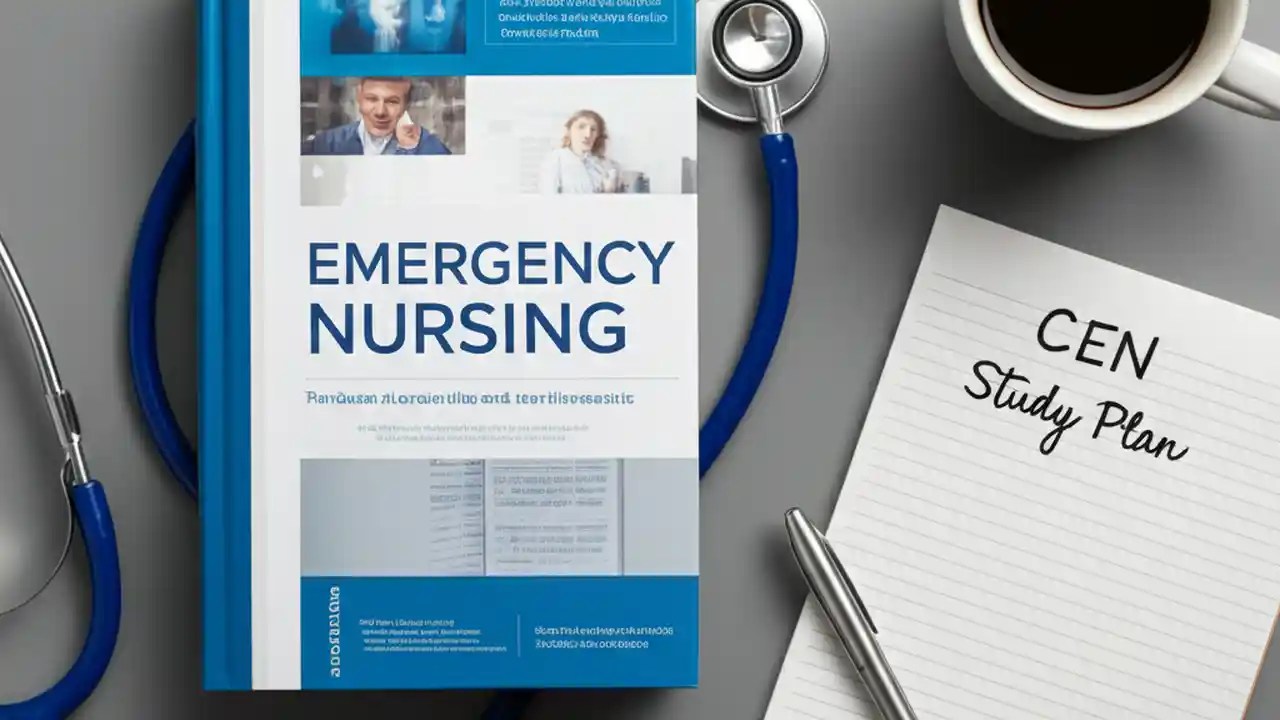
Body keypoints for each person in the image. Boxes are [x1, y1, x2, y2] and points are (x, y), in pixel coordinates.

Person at [302, 77, 451, 156]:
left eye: (392, 101)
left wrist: (407, 150)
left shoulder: (429, 148)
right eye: (372, 99)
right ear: (359, 98)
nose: (380, 111)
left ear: (406, 105)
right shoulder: (327, 145)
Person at [538, 110, 622, 194]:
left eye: (593, 129)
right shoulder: (555, 159)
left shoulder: (607, 166)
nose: (588, 135)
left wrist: (608, 192)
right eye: (581, 127)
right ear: (569, 131)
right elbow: (548, 199)